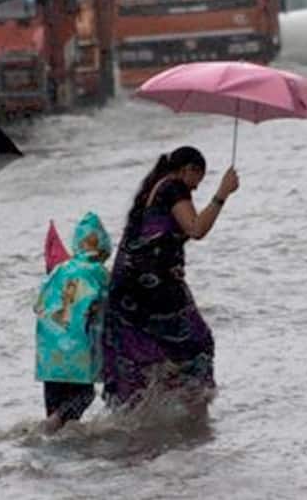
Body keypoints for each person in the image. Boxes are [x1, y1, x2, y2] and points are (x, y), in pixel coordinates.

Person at [101, 147, 239, 420]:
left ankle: (147, 419)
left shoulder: (154, 189)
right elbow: (196, 228)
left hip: (130, 287)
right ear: (188, 170)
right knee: (198, 342)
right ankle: (196, 415)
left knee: (153, 351)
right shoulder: (173, 187)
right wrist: (222, 194)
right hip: (154, 286)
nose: (195, 189)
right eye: (197, 180)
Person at [34, 213, 113, 433]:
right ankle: (56, 422)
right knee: (84, 395)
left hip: (49, 353)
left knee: (55, 409)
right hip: (78, 351)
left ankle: (52, 431)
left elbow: (38, 305)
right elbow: (114, 306)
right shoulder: (99, 273)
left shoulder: (60, 269)